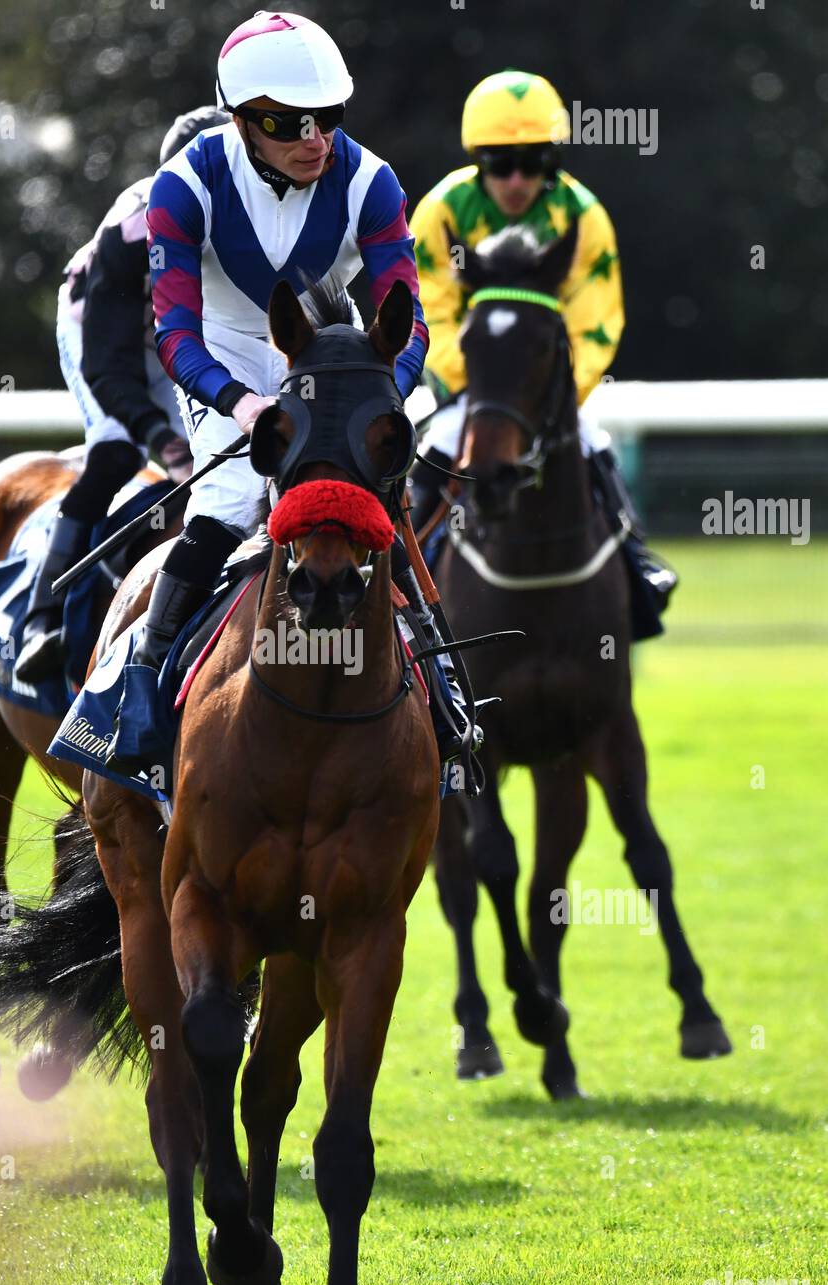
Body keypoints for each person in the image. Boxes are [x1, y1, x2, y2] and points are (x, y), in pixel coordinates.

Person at [140, 10, 474, 760]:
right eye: (287, 123)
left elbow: (408, 317)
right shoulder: (183, 185)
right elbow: (174, 333)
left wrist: (383, 387)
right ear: (241, 120)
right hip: (225, 359)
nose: (313, 139)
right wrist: (241, 401)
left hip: (334, 357)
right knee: (224, 500)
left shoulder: (372, 181)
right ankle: (133, 688)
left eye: (326, 118)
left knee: (382, 503)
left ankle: (447, 702)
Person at [407, 69, 676, 624]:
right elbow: (426, 304)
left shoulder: (582, 215)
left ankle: (638, 562)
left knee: (592, 443)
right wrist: (478, 381)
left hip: (545, 386)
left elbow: (595, 317)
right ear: (479, 161)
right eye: (500, 164)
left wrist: (553, 391)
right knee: (434, 448)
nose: (516, 180)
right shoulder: (442, 210)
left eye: (533, 163)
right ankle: (404, 575)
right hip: (469, 383)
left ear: (552, 161)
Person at [14, 107, 232, 683]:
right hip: (105, 334)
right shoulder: (127, 233)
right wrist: (161, 436)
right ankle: (43, 618)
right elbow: (111, 369)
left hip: (179, 337)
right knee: (118, 452)